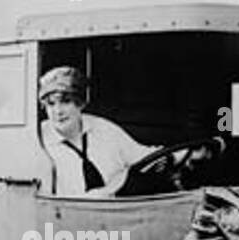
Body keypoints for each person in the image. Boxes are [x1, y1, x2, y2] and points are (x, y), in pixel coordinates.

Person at [38, 66, 156, 195]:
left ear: (80, 103)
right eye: (51, 104)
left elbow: (143, 156)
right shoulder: (37, 140)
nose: (58, 111)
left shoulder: (104, 129)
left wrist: (177, 155)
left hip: (113, 210)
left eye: (66, 102)